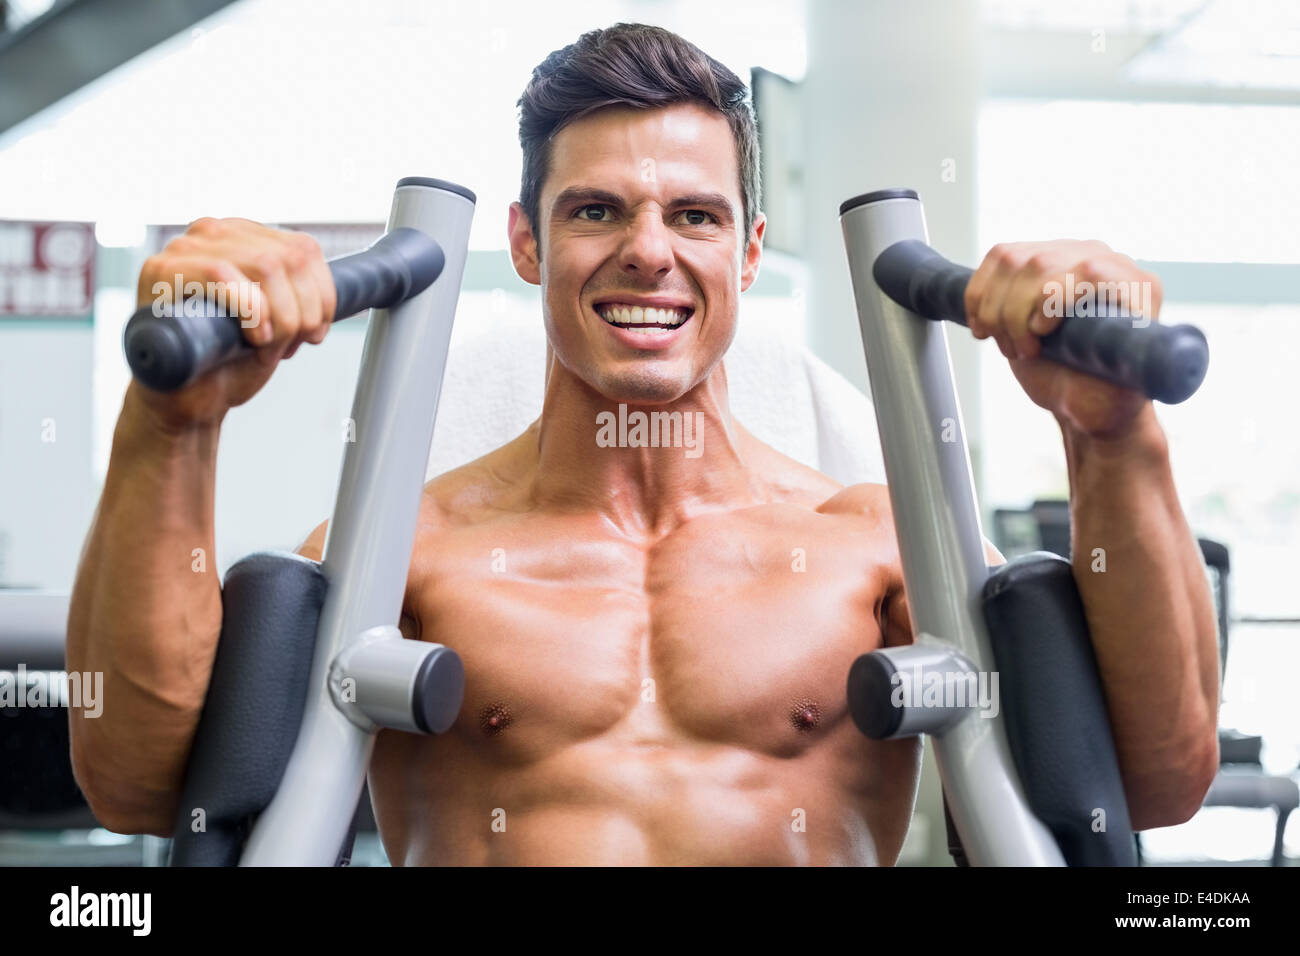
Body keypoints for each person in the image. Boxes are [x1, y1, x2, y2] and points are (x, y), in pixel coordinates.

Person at [67, 22, 1220, 865]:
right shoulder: (403, 552)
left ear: (750, 251)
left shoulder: (872, 547)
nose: (648, 252)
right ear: (526, 242)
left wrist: (1109, 433)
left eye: (695, 215)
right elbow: (129, 783)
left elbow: (1162, 783)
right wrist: (173, 422)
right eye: (596, 210)